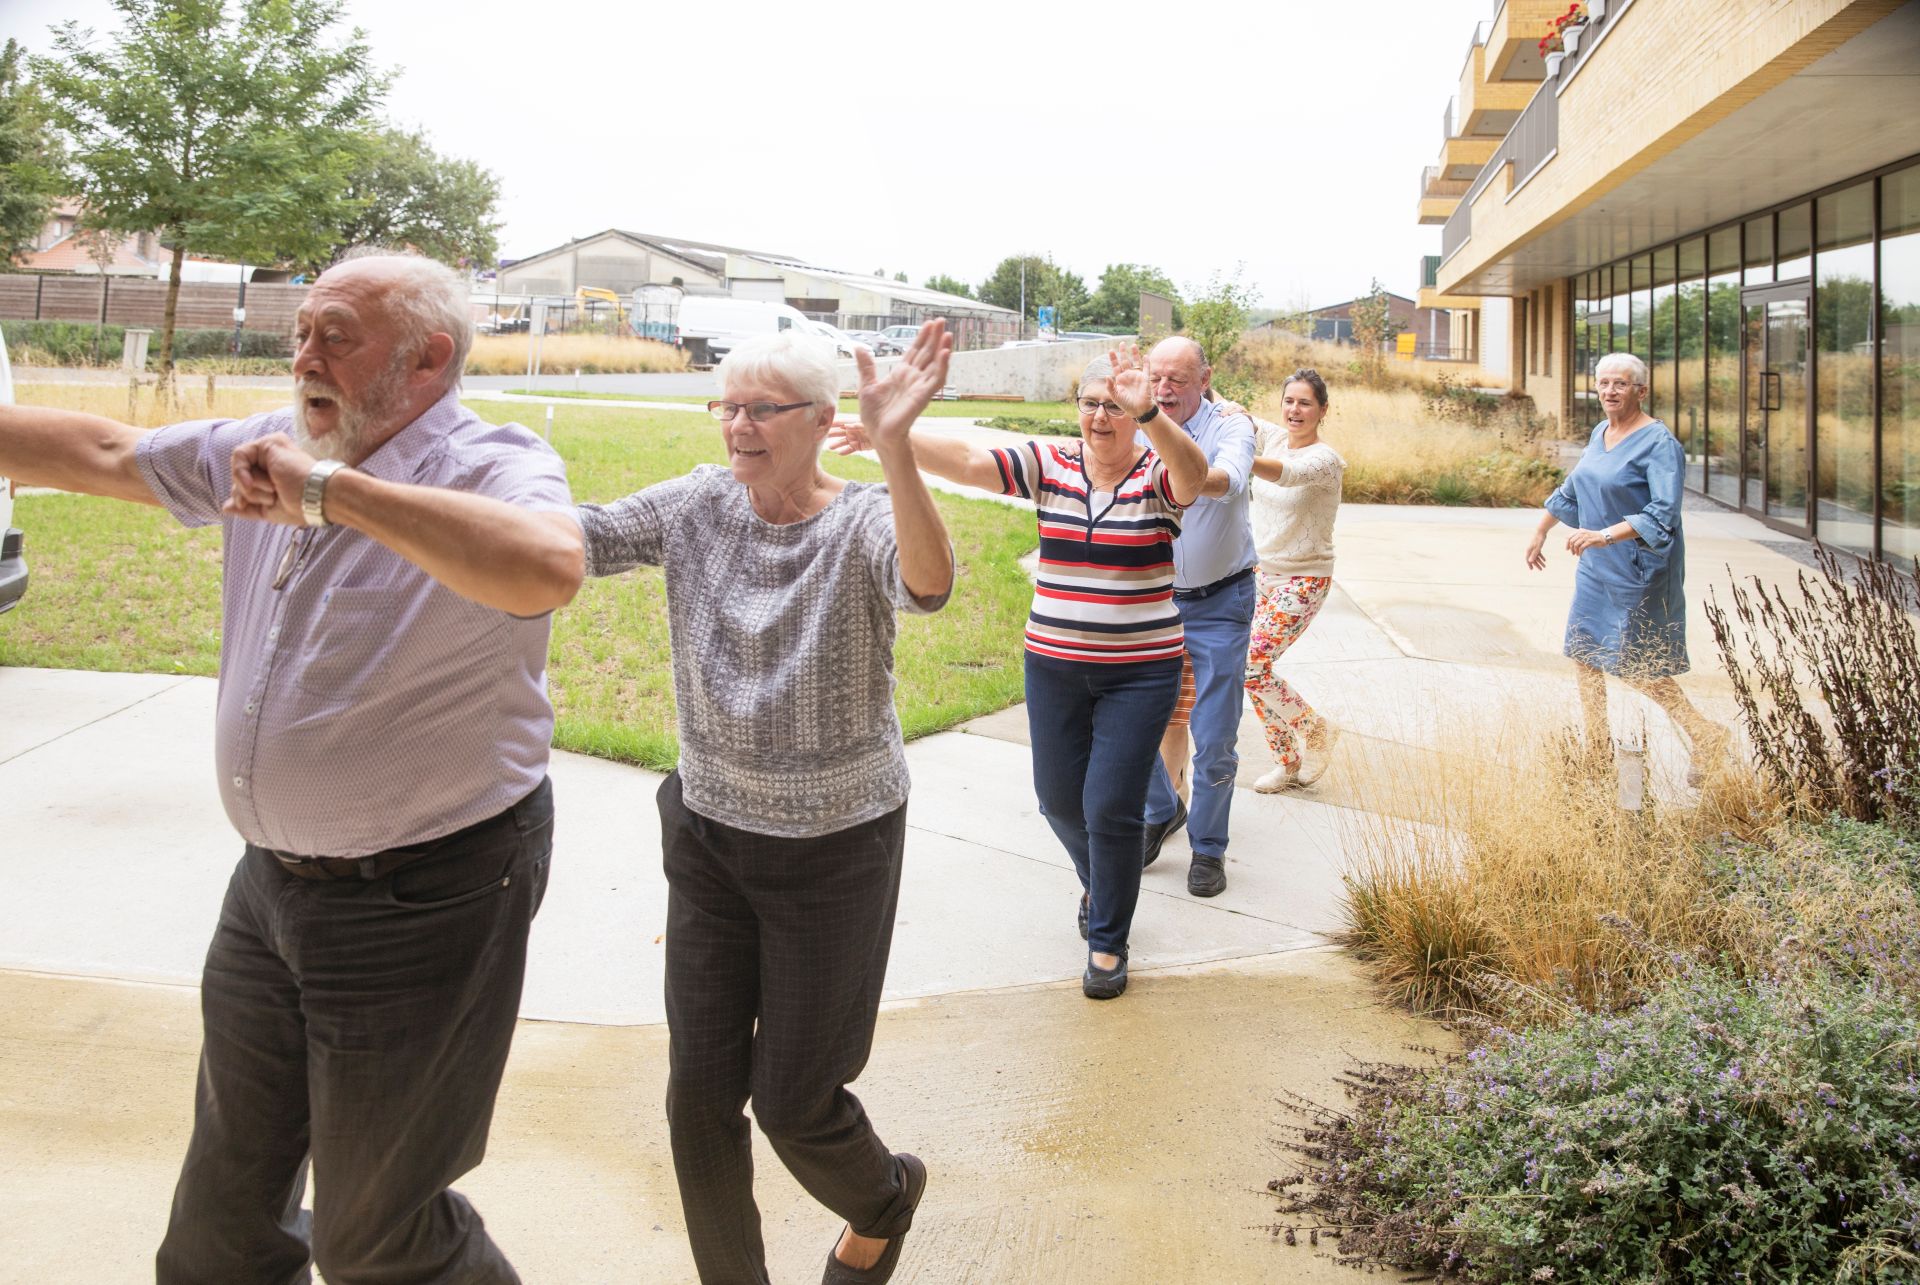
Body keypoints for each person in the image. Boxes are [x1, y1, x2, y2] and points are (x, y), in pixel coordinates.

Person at [0, 251, 585, 1283]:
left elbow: (543, 569)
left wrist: (333, 495)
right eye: (302, 330)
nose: (302, 354)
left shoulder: (494, 461)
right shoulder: (265, 447)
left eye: (335, 336)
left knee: (379, 1237)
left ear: (427, 358)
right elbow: (102, 447)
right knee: (220, 1232)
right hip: (270, 887)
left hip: (427, 890)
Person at [577, 324, 955, 1284]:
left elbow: (928, 583)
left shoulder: (862, 517)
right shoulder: (700, 505)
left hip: (836, 848)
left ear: (824, 422)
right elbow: (587, 537)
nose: (737, 426)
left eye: (761, 409)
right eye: (727, 407)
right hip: (709, 834)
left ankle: (883, 1196)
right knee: (697, 1100)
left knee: (794, 1101)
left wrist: (900, 446)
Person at [829, 345, 1209, 1001]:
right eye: (1090, 404)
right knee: (1058, 799)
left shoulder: (1157, 473)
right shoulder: (1051, 464)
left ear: (1136, 413)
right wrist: (885, 436)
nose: (1100, 417)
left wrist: (1149, 409)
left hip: (1138, 672)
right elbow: (974, 463)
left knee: (1110, 805)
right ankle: (1108, 878)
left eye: (1114, 406)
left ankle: (1108, 938)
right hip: (1055, 665)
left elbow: (1195, 473)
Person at [1526, 351, 1726, 778]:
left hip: (1637, 566)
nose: (1610, 391)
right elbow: (1573, 488)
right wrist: (1541, 530)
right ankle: (1597, 746)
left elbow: (1663, 512)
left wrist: (1603, 535)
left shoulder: (1660, 444)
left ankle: (1705, 734)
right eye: (1603, 383)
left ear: (1641, 390)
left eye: (1620, 384)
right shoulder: (1601, 432)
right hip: (1595, 563)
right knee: (1583, 651)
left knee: (1636, 664)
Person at [1137, 337, 1257, 897]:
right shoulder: (1136, 419)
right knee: (1130, 725)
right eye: (1156, 377)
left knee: (1214, 737)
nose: (1164, 389)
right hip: (1155, 600)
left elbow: (1222, 481)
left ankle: (1209, 849)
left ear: (1204, 378)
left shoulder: (1233, 426)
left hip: (1220, 603)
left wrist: (1173, 462)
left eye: (1178, 379)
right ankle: (1163, 809)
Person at [1242, 369, 1346, 791]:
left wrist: (1235, 457)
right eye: (1289, 401)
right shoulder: (1274, 436)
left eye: (1305, 403)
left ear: (1323, 410)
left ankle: (1316, 729)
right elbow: (1229, 413)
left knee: (1251, 665)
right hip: (1261, 574)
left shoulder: (1325, 460)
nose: (1295, 410)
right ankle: (1287, 763)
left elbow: (1284, 474)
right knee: (1254, 671)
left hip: (1304, 579)